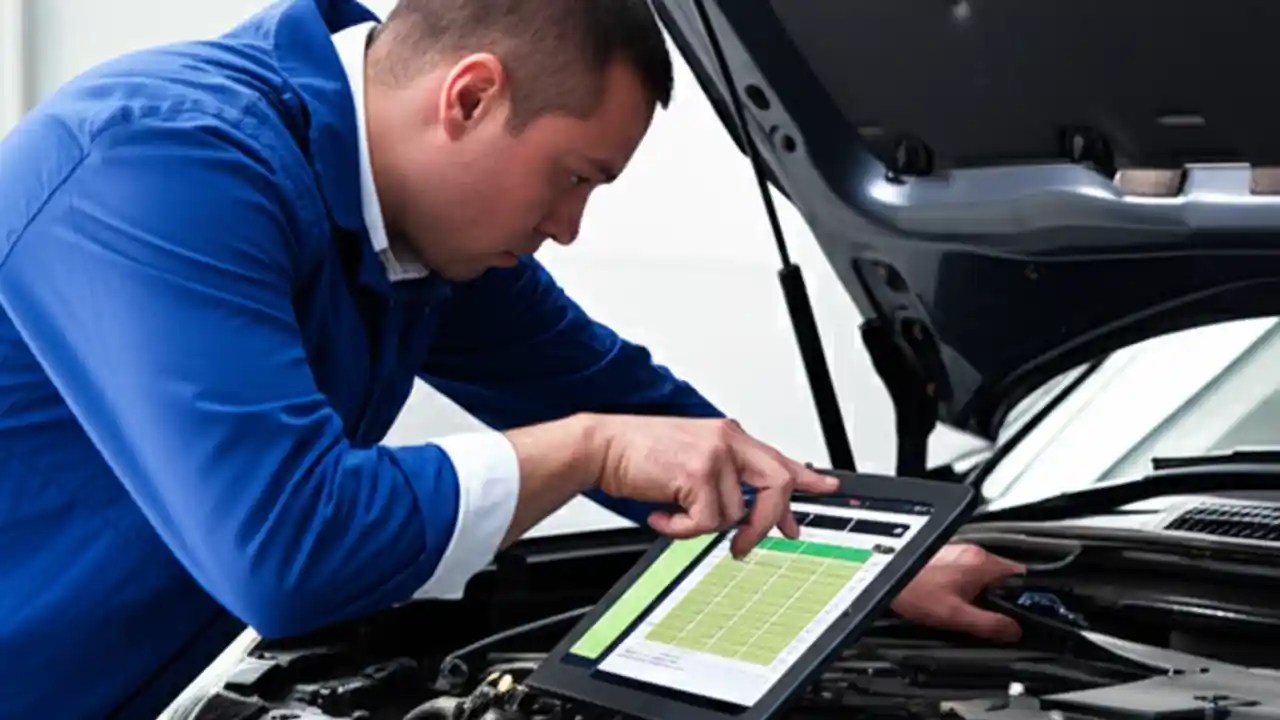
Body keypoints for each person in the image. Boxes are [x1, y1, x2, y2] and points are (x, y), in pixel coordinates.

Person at [0, 0, 1024, 717]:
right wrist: (585, 452)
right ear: (470, 97)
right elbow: (287, 547)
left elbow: (630, 404)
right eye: (574, 177)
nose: (569, 229)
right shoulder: (156, 163)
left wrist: (862, 563)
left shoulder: (402, 221)